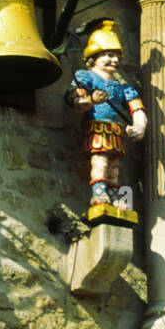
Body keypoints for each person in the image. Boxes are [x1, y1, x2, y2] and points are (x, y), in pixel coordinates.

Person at [65, 18, 147, 211]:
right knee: (100, 161)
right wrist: (92, 100)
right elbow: (76, 102)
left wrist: (140, 126)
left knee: (114, 167)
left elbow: (136, 107)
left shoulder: (122, 86)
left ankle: (113, 196)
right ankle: (99, 194)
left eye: (117, 56)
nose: (115, 60)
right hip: (97, 126)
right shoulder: (86, 77)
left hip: (115, 129)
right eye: (109, 55)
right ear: (94, 57)